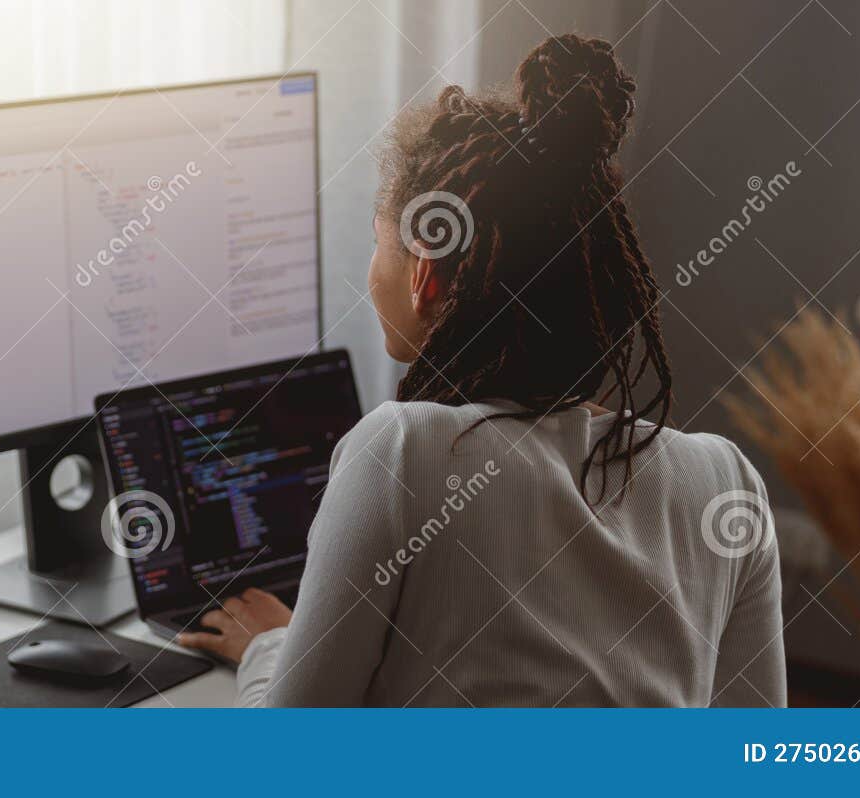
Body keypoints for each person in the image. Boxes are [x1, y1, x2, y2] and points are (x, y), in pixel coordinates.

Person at [177, 34, 785, 707]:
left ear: (426, 276)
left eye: (379, 245)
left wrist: (268, 645)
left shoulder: (404, 452)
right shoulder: (728, 481)